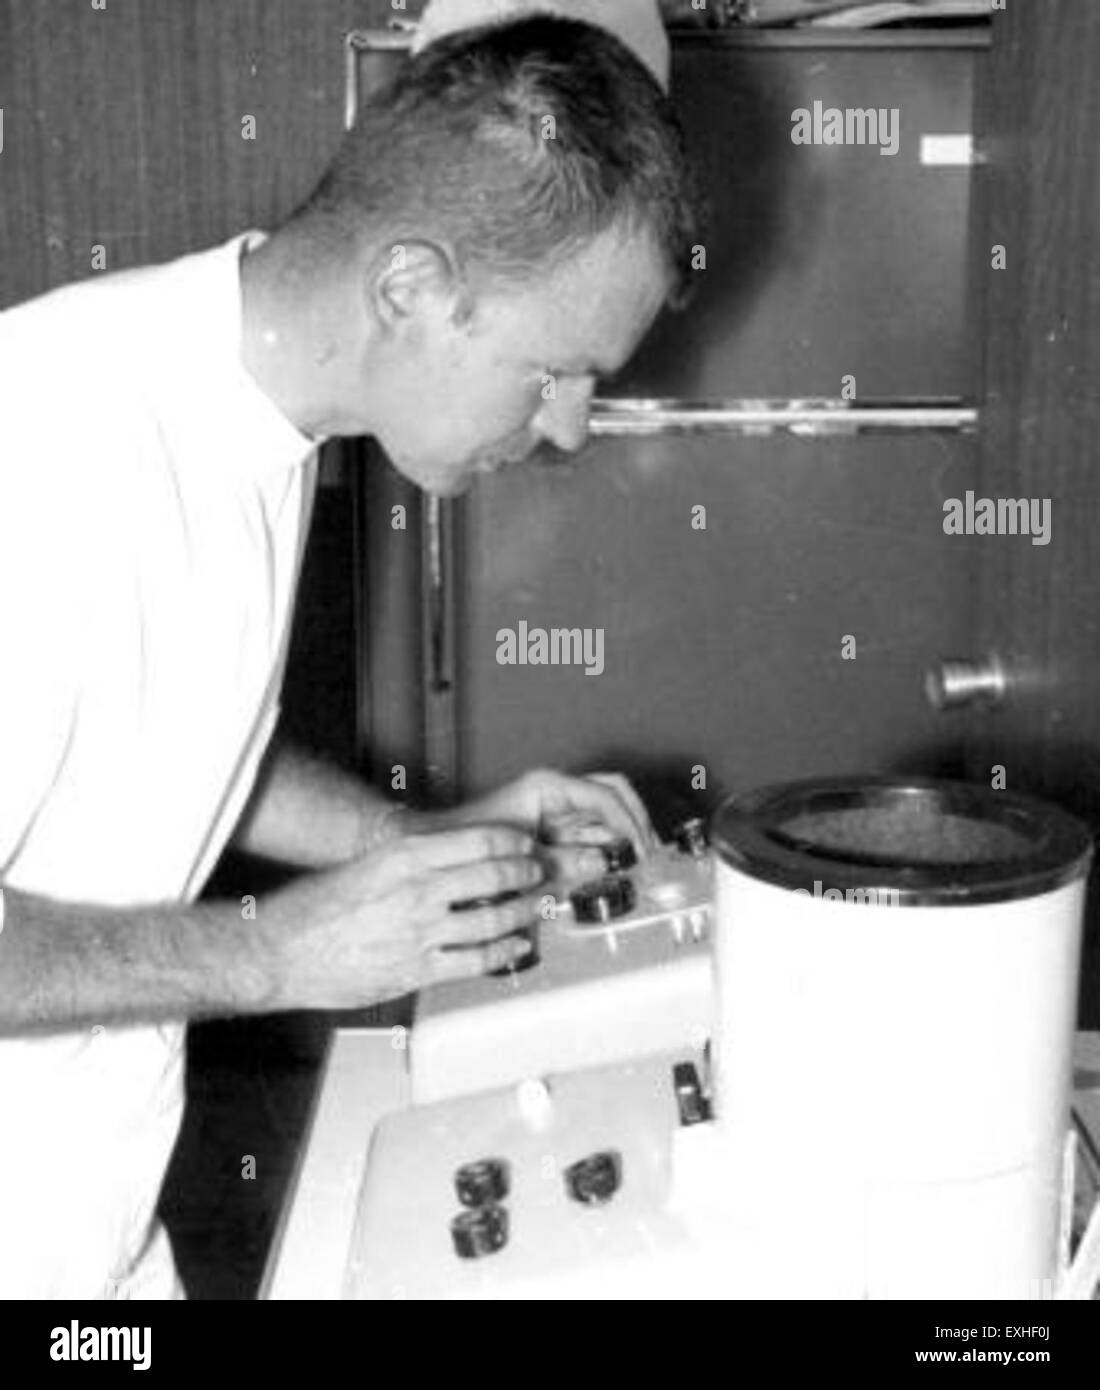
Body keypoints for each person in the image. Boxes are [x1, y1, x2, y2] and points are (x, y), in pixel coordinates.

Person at [0, 10, 700, 1298]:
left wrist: (417, 845)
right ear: (409, 291)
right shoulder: (41, 449)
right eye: (559, 371)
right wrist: (277, 954)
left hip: (91, 1235)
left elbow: (154, 734)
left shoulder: (251, 423)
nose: (571, 430)